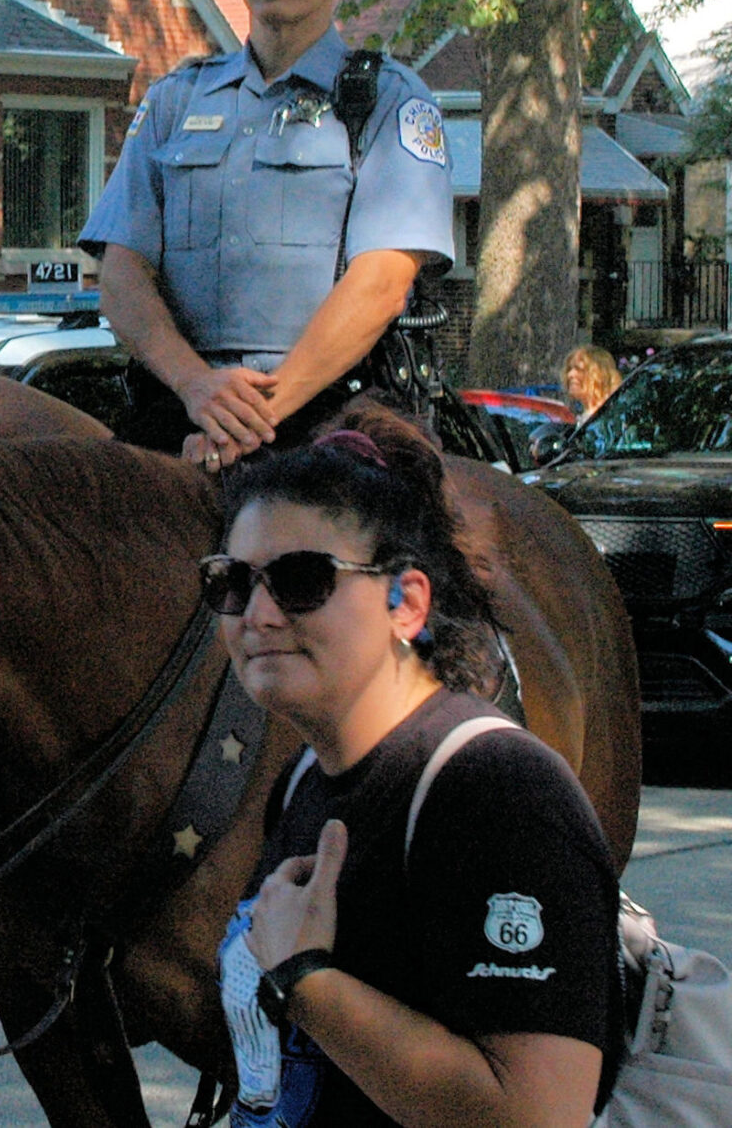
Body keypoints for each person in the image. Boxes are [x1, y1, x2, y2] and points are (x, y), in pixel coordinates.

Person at [211, 409, 617, 1128]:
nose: (259, 614)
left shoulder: (500, 792)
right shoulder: (304, 779)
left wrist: (309, 980)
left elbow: (539, 1113)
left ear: (407, 602)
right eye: (233, 583)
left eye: (302, 579)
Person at [79, 0, 453, 471]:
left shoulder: (388, 103)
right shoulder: (175, 100)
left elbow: (384, 283)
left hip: (337, 418)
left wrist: (257, 417)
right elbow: (121, 276)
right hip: (184, 405)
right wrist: (198, 387)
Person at [562, 345, 621, 420]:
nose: (570, 374)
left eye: (579, 369)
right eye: (569, 369)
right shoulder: (584, 417)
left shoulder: (611, 416)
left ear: (599, 374)